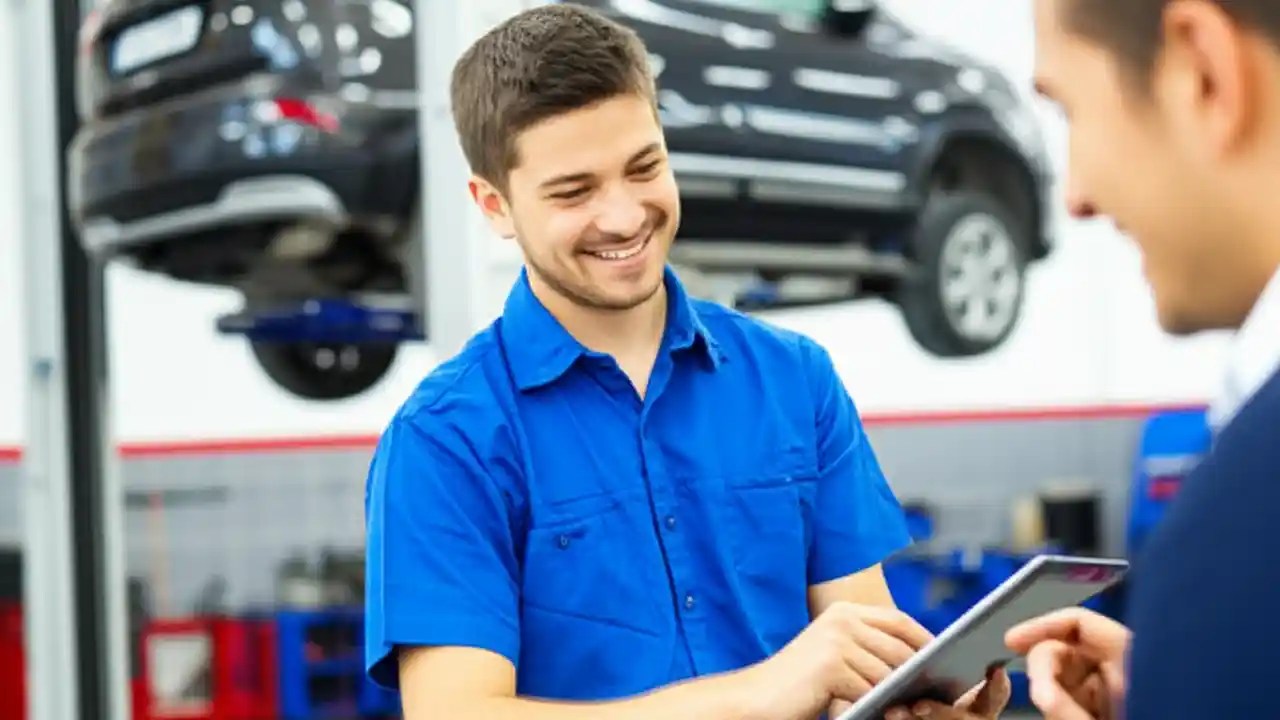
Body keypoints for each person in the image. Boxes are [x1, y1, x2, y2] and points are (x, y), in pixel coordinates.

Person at [361, 4, 1010, 720]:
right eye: (575, 191)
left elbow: (862, 653)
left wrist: (916, 704)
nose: (624, 215)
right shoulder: (445, 441)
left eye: (645, 167)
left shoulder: (795, 381)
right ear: (495, 205)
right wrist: (756, 696)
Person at [1004, 0, 1280, 718]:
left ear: (1202, 74)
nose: (1076, 197)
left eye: (1071, 112)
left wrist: (1197, 657)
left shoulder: (1241, 547)